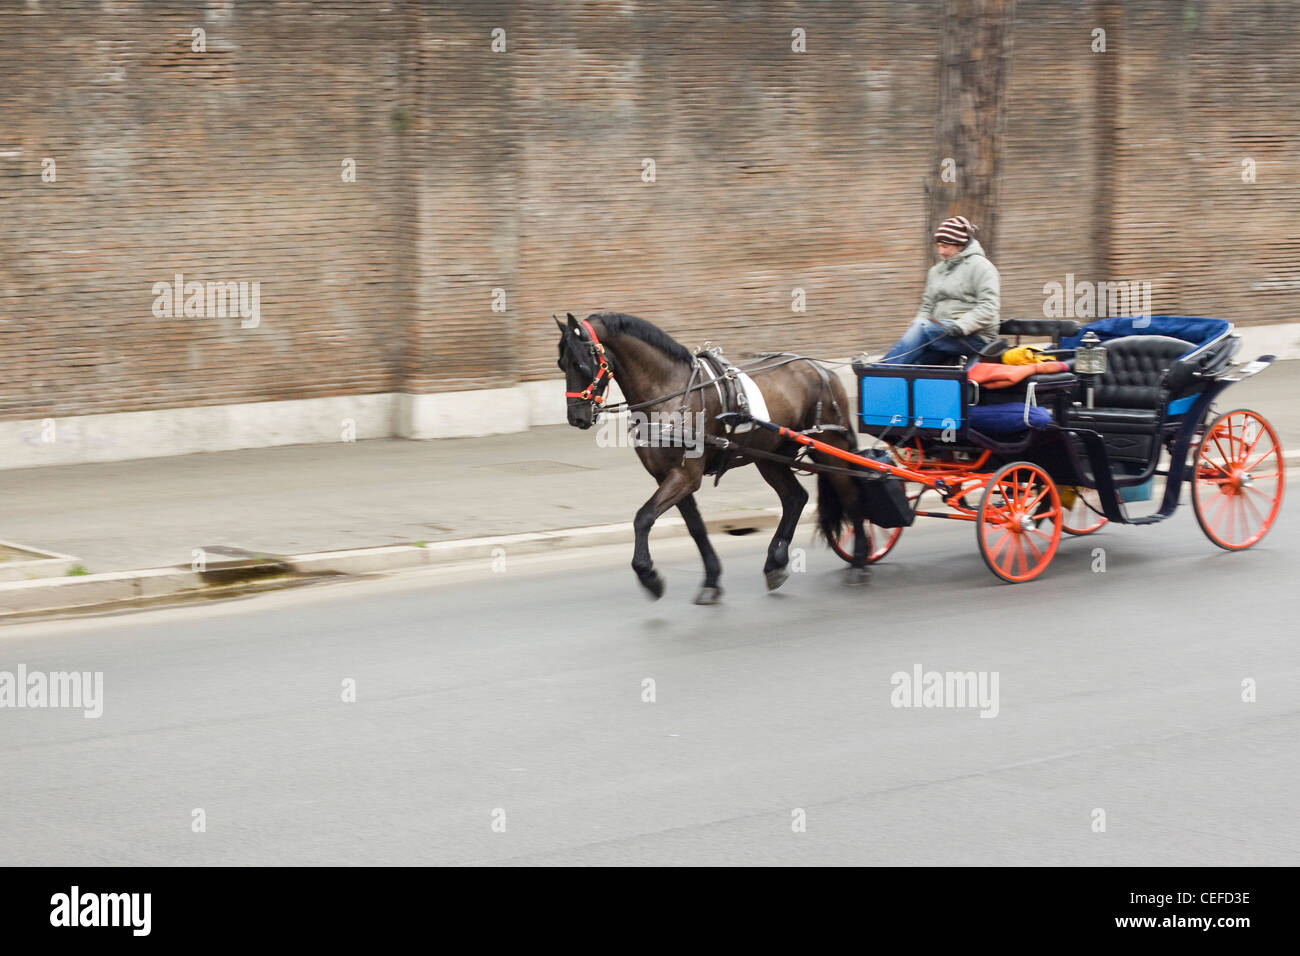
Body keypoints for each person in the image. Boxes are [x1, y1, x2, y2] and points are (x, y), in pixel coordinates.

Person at [880, 216, 1000, 365]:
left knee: (922, 328)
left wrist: (961, 326)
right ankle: (886, 377)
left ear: (959, 244)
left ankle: (878, 369)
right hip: (940, 334)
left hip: (974, 337)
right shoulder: (936, 271)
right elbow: (927, 307)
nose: (940, 251)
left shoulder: (982, 267)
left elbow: (989, 306)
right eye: (938, 245)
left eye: (945, 246)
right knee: (914, 362)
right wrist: (915, 327)